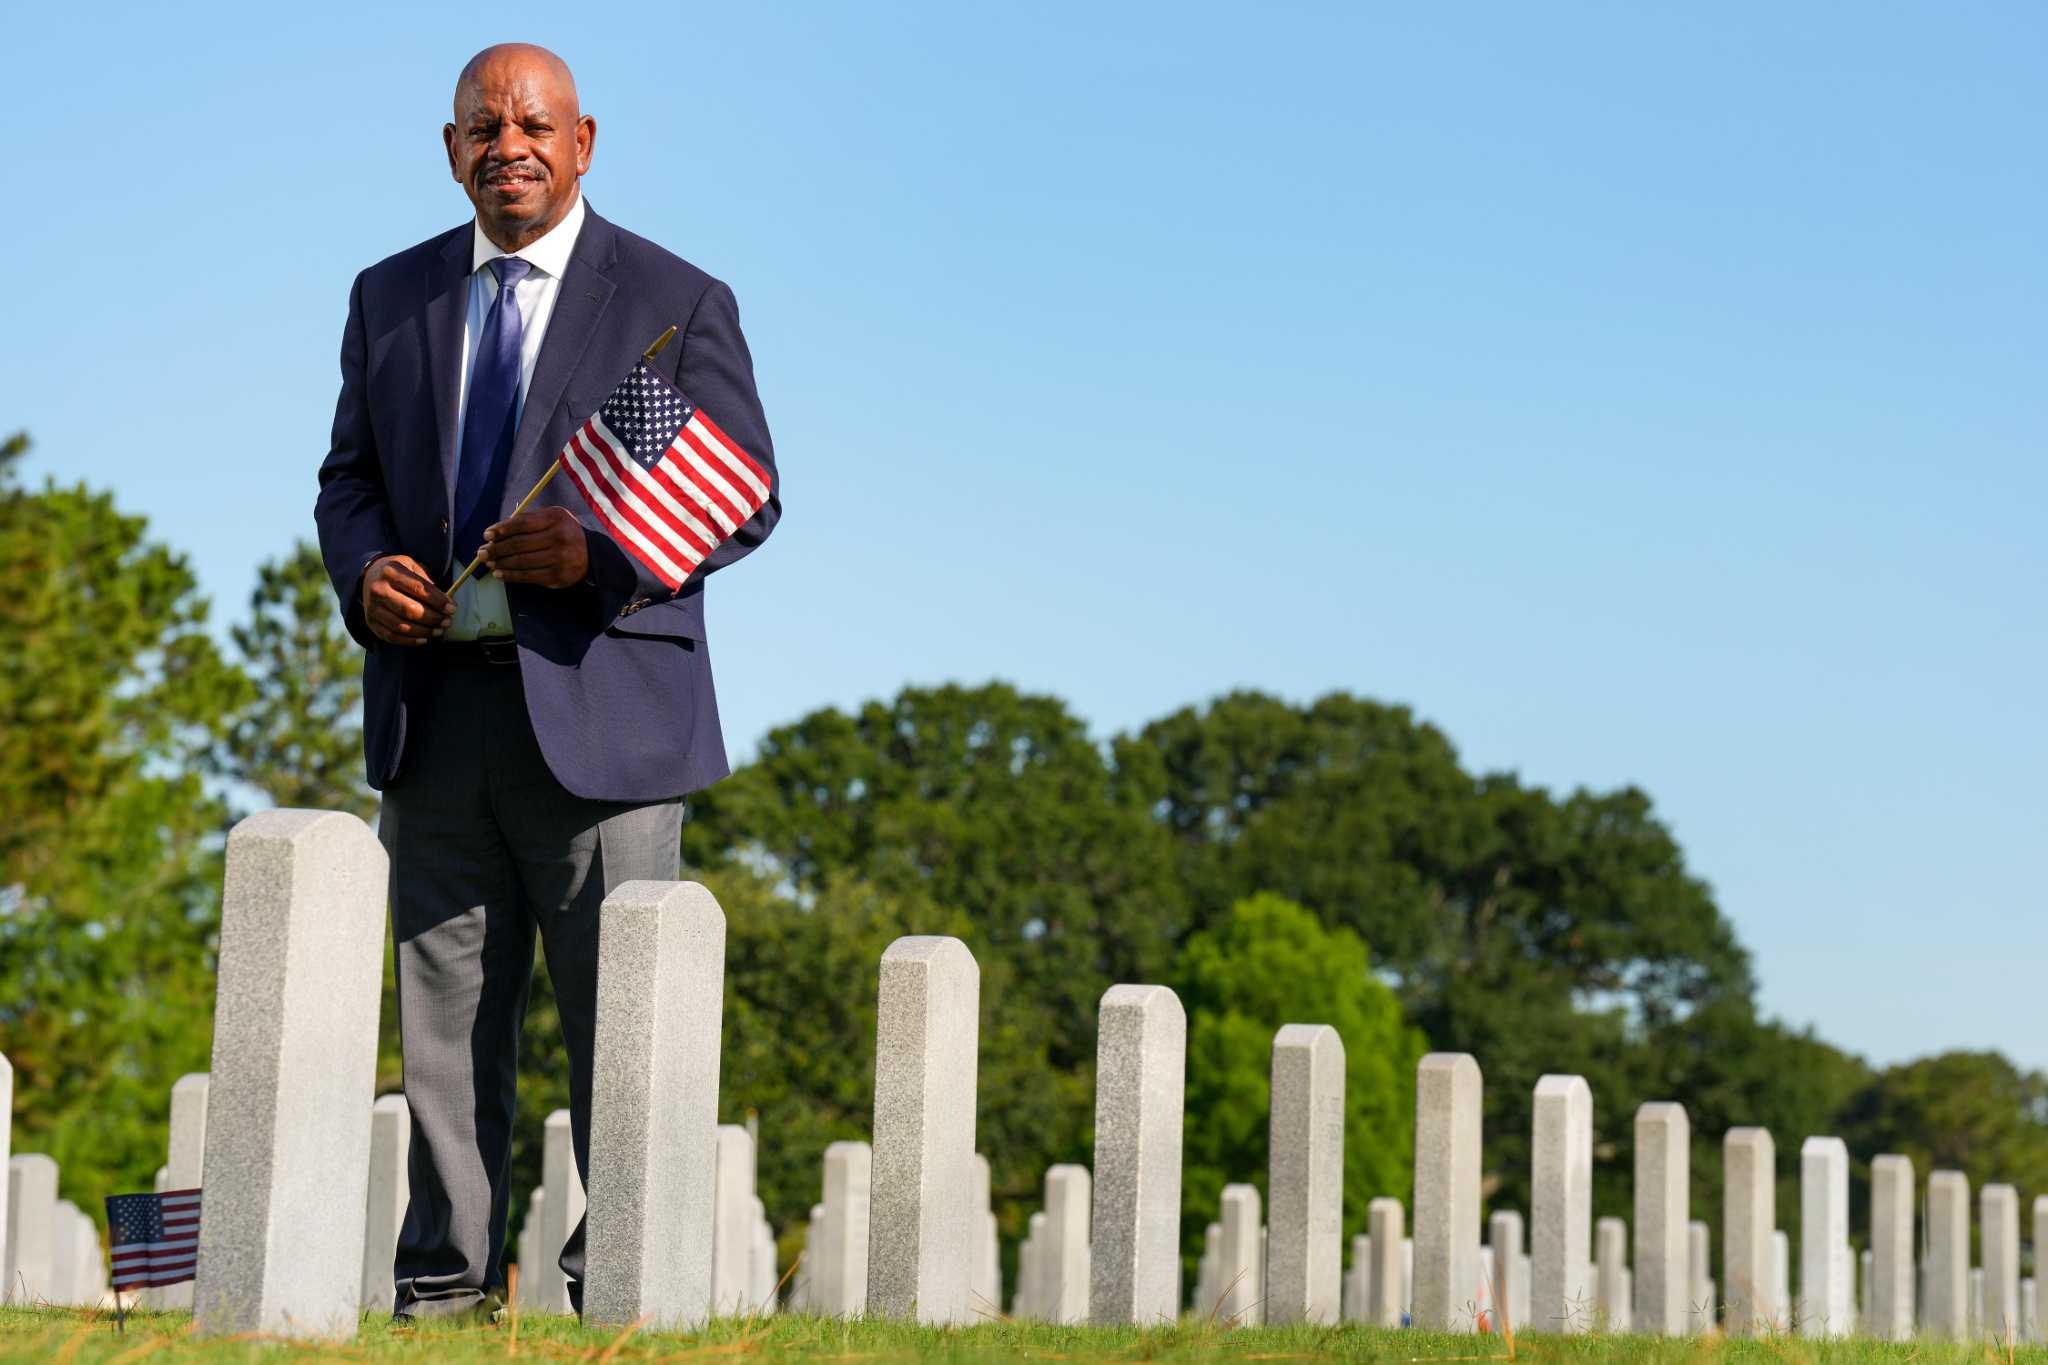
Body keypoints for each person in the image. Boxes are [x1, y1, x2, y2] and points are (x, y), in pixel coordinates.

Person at [313, 42, 780, 1320]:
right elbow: (347, 479)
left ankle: (617, 1291)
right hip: (436, 715)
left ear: (583, 143)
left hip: (607, 726)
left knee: (622, 1037)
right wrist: (365, 579)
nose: (506, 143)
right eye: (481, 126)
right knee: (445, 1035)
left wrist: (602, 553)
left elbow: (746, 491)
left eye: (532, 124)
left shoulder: (673, 298)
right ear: (449, 147)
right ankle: (444, 1296)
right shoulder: (388, 296)